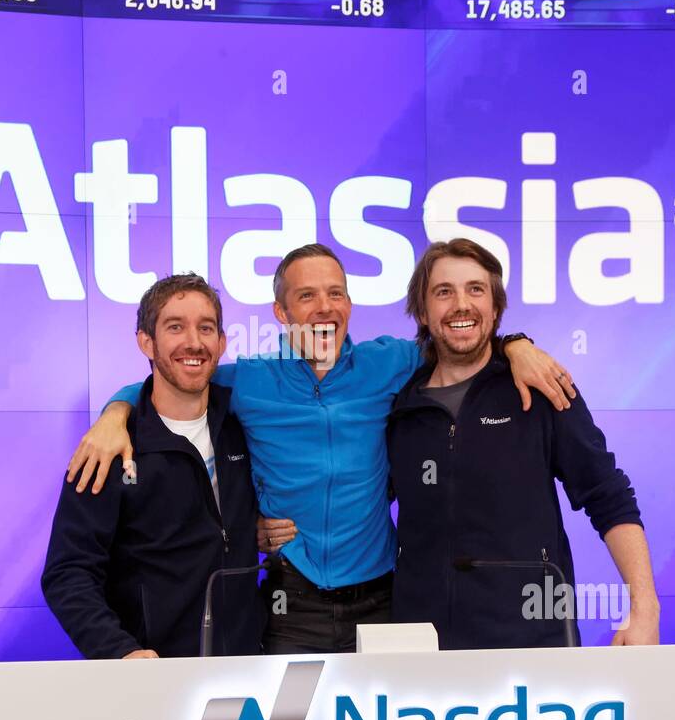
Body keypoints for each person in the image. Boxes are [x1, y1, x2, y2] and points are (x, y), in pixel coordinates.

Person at [66, 244, 577, 655]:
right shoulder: (250, 382)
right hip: (293, 605)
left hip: (385, 599)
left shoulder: (393, 362)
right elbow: (178, 377)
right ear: (281, 312)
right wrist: (117, 411)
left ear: (350, 305)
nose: (324, 307)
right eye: (306, 296)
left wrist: (518, 346)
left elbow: (464, 338)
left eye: (336, 293)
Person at [387, 239, 660, 649]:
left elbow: (608, 495)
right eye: (444, 292)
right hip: (421, 651)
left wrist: (644, 608)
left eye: (476, 289)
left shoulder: (542, 388)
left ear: (495, 308)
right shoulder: (399, 409)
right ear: (423, 313)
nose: (462, 304)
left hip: (535, 644)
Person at [41, 274, 265, 659]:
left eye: (206, 328)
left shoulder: (246, 425)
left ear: (222, 342)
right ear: (146, 341)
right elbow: (68, 572)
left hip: (246, 668)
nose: (193, 342)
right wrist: (118, 650)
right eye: (175, 326)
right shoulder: (109, 448)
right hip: (155, 679)